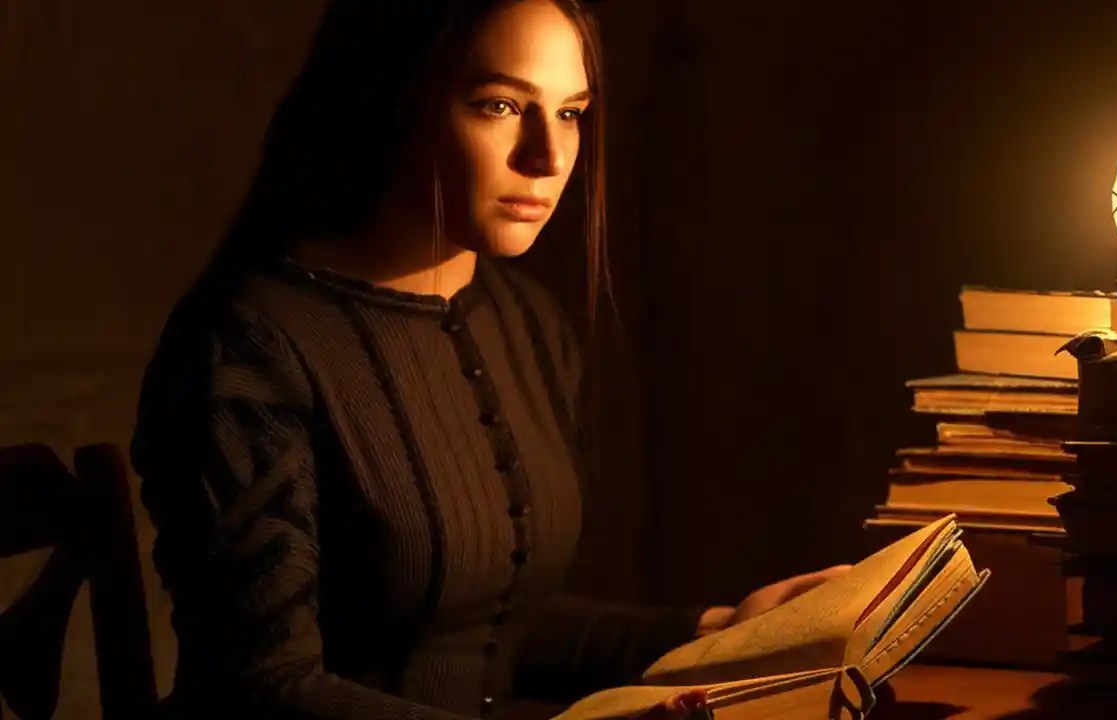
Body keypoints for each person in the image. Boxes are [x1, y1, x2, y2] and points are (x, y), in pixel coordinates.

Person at [131, 1, 851, 718]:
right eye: (501, 105)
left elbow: (489, 622)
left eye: (570, 112)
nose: (547, 157)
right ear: (393, 99)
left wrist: (721, 631)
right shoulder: (250, 347)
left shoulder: (524, 320)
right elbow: (264, 687)